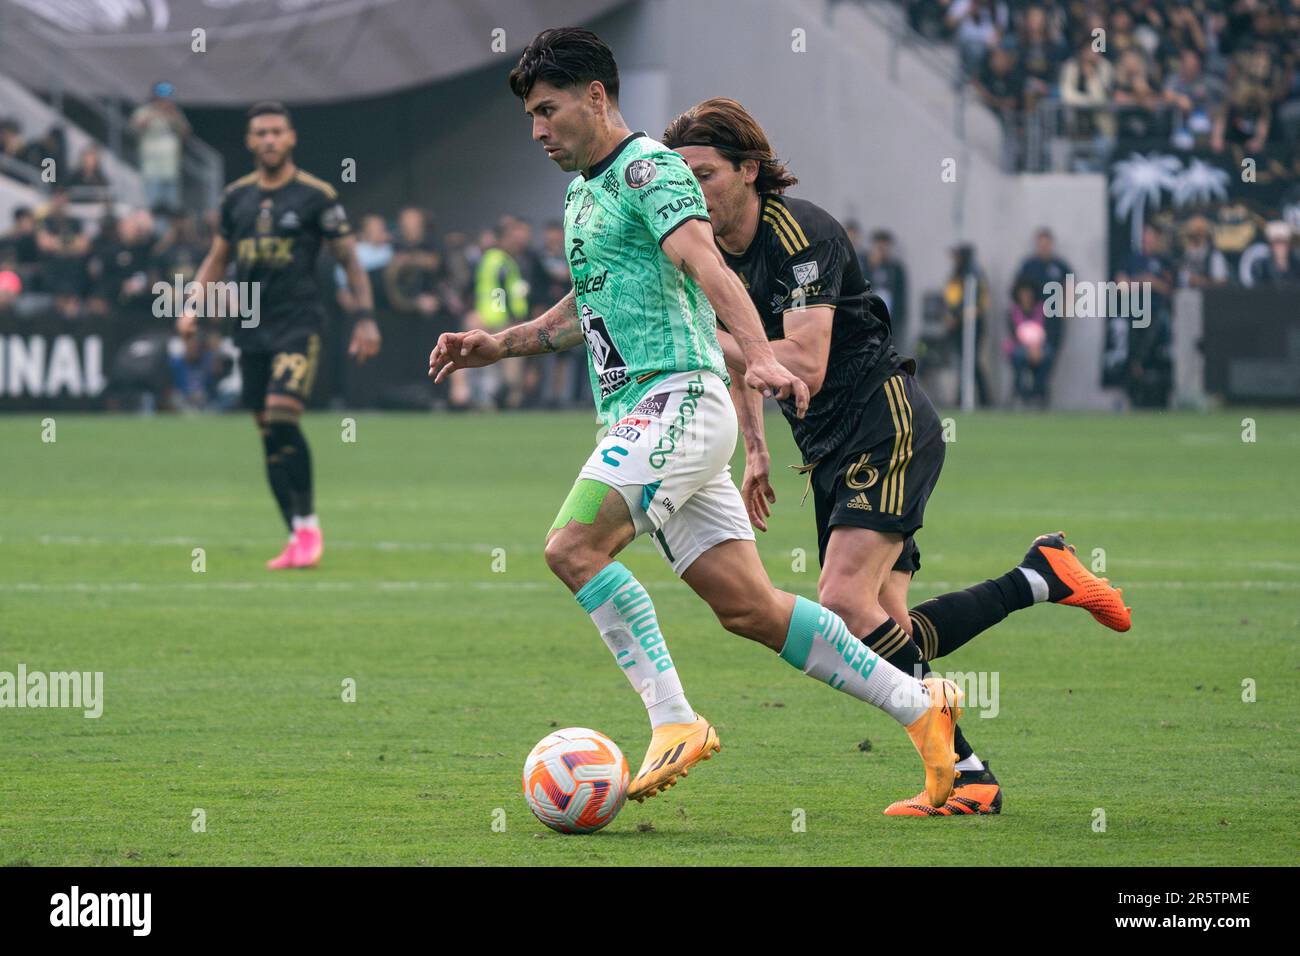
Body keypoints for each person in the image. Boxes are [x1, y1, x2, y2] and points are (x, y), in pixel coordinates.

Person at [429, 27, 965, 810]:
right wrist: (498, 345)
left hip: (678, 400)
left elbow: (710, 266)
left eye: (548, 111)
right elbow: (589, 305)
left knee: (572, 546)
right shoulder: (585, 190)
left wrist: (764, 355)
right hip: (643, 416)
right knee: (750, 607)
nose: (538, 131)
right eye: (530, 118)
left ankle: (674, 719)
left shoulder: (651, 170)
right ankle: (923, 709)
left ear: (596, 97)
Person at [664, 96, 1131, 815]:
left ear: (749, 170)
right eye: (682, 175)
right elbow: (747, 364)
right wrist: (754, 449)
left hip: (883, 422)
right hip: (824, 446)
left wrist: (695, 341)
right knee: (893, 634)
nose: (692, 190)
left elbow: (803, 361)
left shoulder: (800, 232)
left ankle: (969, 773)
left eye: (704, 173)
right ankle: (1040, 577)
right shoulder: (712, 251)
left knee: (842, 603)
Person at [177, 101, 381, 569]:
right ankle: (295, 533)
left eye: (276, 132)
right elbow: (217, 256)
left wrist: (366, 317)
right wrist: (192, 304)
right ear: (250, 142)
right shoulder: (235, 198)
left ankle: (308, 525)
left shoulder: (316, 196)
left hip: (299, 324)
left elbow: (350, 259)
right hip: (250, 327)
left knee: (282, 415)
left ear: (291, 138)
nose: (268, 140)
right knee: (268, 433)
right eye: (260, 133)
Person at [131, 82, 190, 213]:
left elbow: (185, 133)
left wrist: (173, 116)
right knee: (152, 206)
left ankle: (169, 233)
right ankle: (155, 233)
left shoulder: (175, 113)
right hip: (151, 167)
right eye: (161, 98)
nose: (164, 102)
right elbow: (136, 126)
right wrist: (155, 113)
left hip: (170, 166)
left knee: (172, 207)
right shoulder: (145, 111)